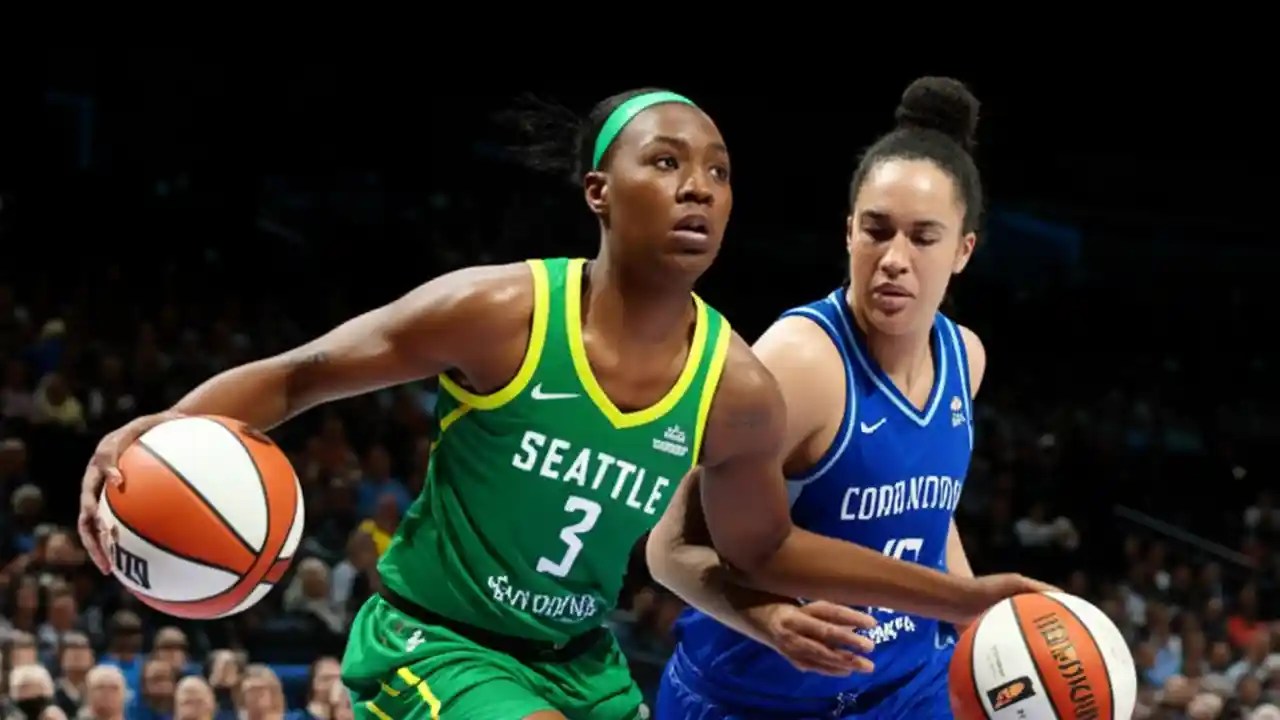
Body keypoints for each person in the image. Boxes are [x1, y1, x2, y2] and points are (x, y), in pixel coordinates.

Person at [78, 87, 1047, 720]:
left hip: (581, 660)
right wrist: (156, 433)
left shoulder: (733, 381)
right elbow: (297, 377)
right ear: (597, 189)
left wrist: (960, 600)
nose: (696, 188)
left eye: (715, 171)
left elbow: (760, 549)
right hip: (438, 636)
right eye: (664, 164)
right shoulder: (500, 311)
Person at [649, 77, 1016, 718]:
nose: (894, 258)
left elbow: (927, 516)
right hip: (751, 697)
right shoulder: (799, 364)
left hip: (902, 688)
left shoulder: (967, 359)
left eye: (923, 238)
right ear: (849, 233)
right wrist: (767, 619)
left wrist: (973, 618)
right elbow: (669, 549)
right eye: (877, 231)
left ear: (963, 251)